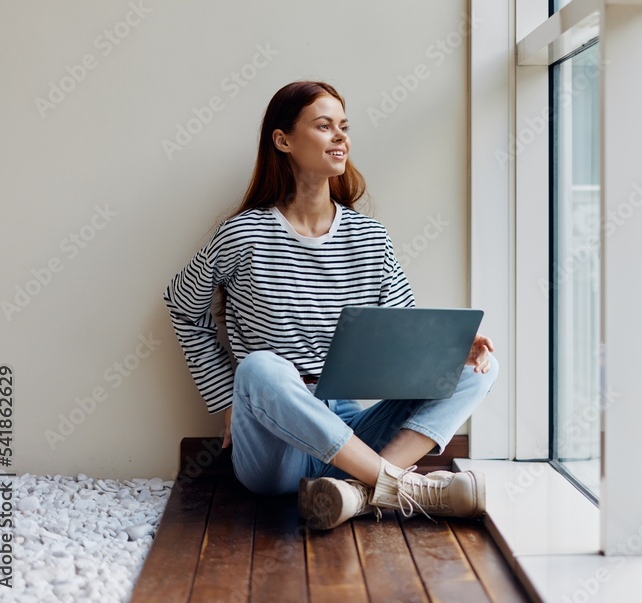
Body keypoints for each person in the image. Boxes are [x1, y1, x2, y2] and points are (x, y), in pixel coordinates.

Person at [163, 81, 499, 530]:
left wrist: (451, 349)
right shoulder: (241, 235)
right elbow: (183, 307)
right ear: (283, 141)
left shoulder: (370, 237)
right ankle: (401, 487)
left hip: (348, 430)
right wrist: (229, 399)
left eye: (344, 126)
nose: (341, 137)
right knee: (260, 367)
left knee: (482, 367)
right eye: (324, 126)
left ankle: (360, 493)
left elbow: (404, 337)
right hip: (273, 445)